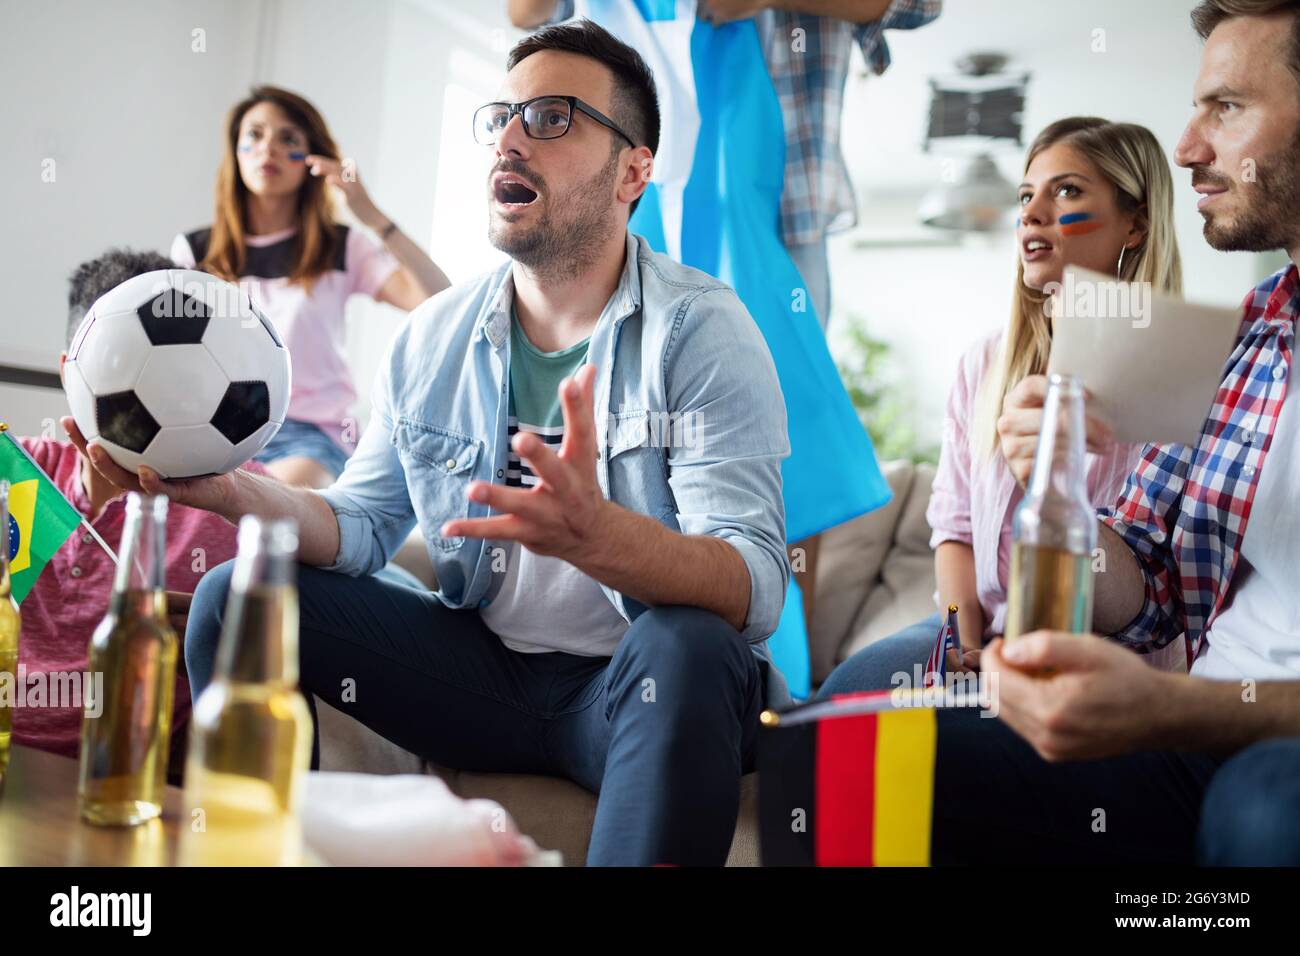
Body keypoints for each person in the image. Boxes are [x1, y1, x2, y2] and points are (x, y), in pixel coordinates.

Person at [72, 20, 792, 867]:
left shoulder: (701, 330)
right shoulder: (434, 336)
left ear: (633, 169)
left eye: (554, 118)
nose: (513, 140)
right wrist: (229, 493)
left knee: (692, 642)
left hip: (634, 691)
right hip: (486, 681)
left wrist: (604, 541)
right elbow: (360, 524)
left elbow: (755, 584)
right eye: (505, 117)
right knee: (239, 593)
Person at [926, 0, 1300, 865]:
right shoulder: (1242, 339)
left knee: (1269, 814)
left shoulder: (1157, 338)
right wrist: (1062, 497)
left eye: (1228, 107)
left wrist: (1170, 708)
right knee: (883, 754)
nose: (1188, 146)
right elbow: (1148, 579)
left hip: (1245, 739)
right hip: (1179, 728)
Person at [509, 0, 941, 641]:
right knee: (625, 398)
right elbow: (525, 11)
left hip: (778, 211)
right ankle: (616, 638)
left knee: (782, 425)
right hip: (621, 198)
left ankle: (781, 665)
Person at [819, 117, 1182, 695]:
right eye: (1025, 196)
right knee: (848, 694)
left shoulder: (1177, 373)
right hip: (982, 637)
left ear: (1134, 224)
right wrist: (961, 643)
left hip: (1107, 657)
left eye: (1066, 191)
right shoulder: (983, 364)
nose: (1032, 213)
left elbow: (1164, 583)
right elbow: (954, 528)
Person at [14, 249, 263, 775]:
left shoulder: (235, 498)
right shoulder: (17, 472)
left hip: (115, 787)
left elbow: (339, 563)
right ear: (71, 374)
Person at [172, 86, 452, 490]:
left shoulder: (341, 247)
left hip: (309, 438)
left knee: (269, 509)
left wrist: (371, 216)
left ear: (310, 161)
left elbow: (440, 300)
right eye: (254, 134)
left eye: (288, 139)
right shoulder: (194, 251)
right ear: (235, 150)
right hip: (212, 430)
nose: (268, 147)